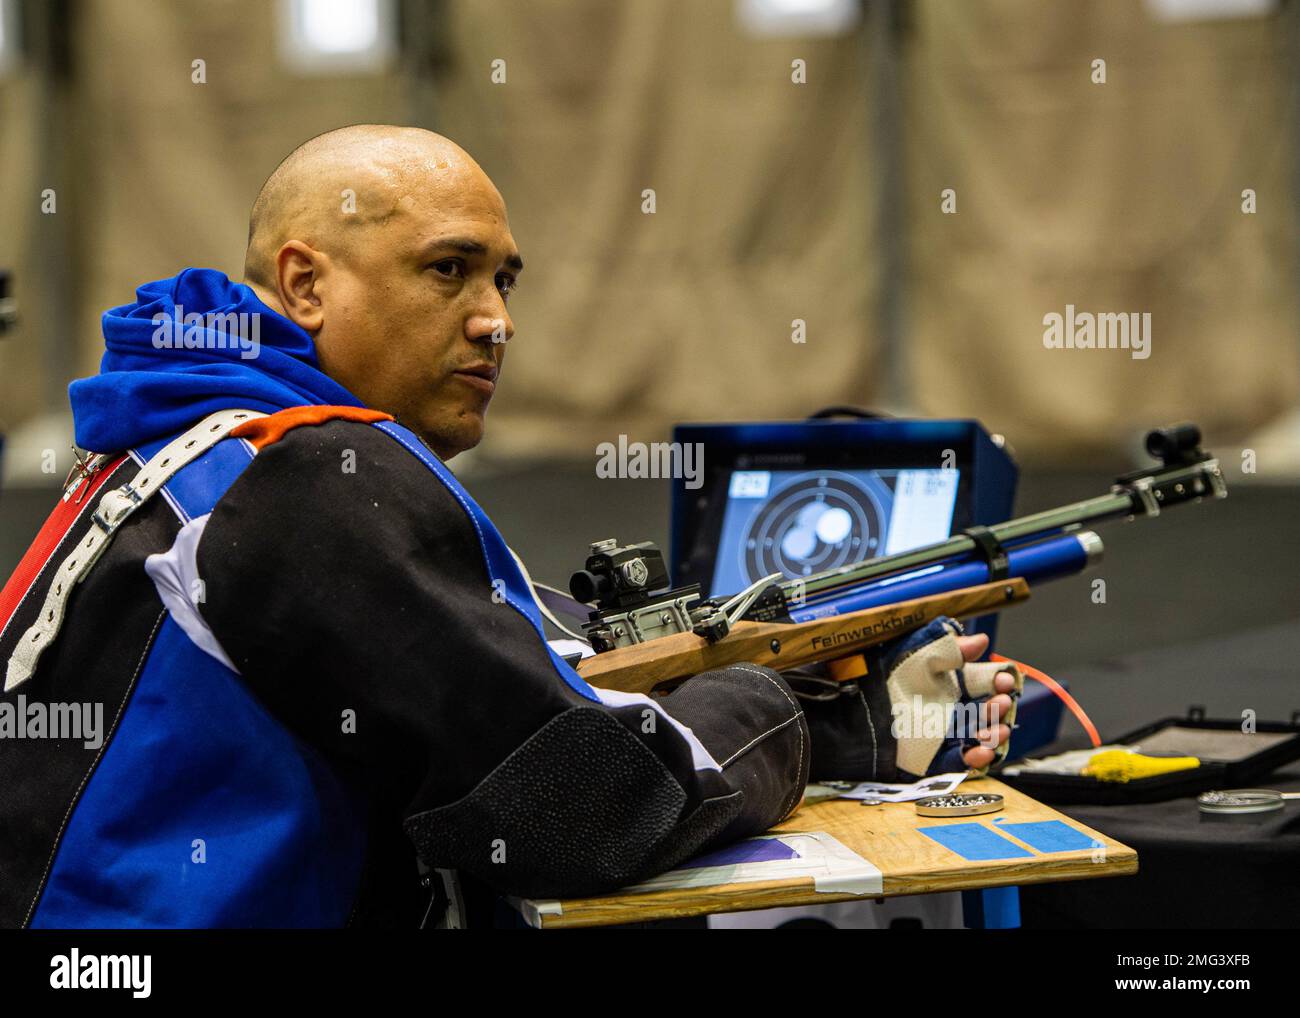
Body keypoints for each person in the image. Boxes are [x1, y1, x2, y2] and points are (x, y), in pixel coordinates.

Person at [0, 125, 1014, 928]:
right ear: (307, 284)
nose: (497, 319)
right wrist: (847, 725)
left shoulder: (192, 432)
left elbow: (465, 649)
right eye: (449, 270)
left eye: (504, 279)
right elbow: (588, 809)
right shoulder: (310, 470)